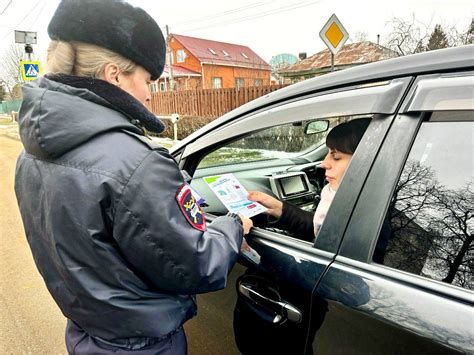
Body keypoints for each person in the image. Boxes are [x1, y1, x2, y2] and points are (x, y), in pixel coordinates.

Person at [14, 0, 252, 353]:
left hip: (86, 334)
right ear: (114, 74)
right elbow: (196, 265)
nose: (148, 93)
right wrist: (233, 226)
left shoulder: (30, 153)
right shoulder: (136, 162)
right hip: (143, 346)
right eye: (147, 80)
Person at [248, 118, 375, 241]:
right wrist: (278, 208)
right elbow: (321, 231)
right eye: (328, 153)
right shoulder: (364, 204)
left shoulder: (375, 223)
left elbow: (328, 243)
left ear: (368, 162)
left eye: (336, 157)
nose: (323, 164)